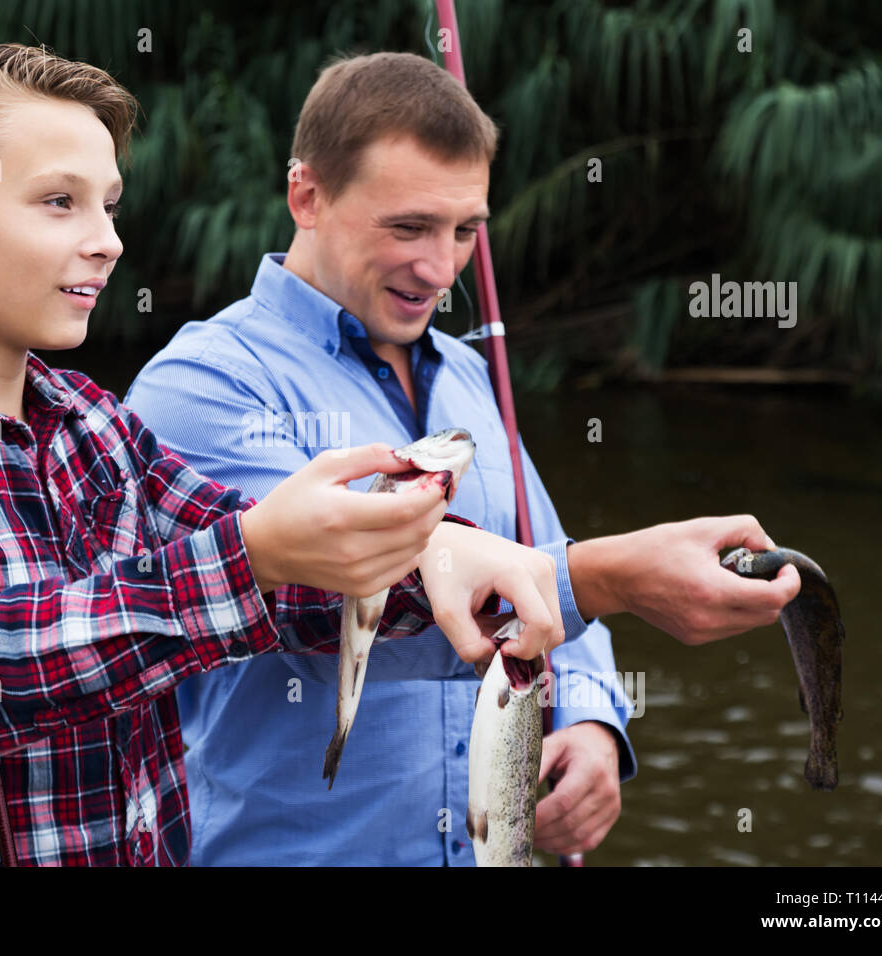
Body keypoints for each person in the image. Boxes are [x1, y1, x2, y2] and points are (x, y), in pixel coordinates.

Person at [0, 33, 567, 866]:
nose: (107, 240)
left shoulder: (99, 424)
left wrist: (425, 558)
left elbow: (285, 585)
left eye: (108, 205)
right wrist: (251, 557)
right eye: (58, 202)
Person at [124, 51, 801, 865]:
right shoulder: (199, 387)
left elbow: (538, 552)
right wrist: (615, 579)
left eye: (465, 231)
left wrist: (589, 720)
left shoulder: (474, 373)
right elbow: (351, 600)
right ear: (307, 195)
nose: (441, 270)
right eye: (408, 227)